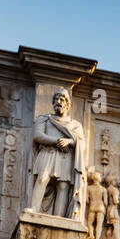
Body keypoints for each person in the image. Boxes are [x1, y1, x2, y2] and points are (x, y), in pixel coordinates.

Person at [29, 88, 87, 219]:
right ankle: (34, 208)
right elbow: (37, 136)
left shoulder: (75, 125)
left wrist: (69, 142)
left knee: (63, 186)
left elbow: (81, 143)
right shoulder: (44, 119)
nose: (58, 102)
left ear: (67, 103)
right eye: (56, 99)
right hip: (47, 153)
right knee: (42, 179)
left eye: (61, 99)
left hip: (65, 157)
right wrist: (56, 141)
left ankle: (58, 218)